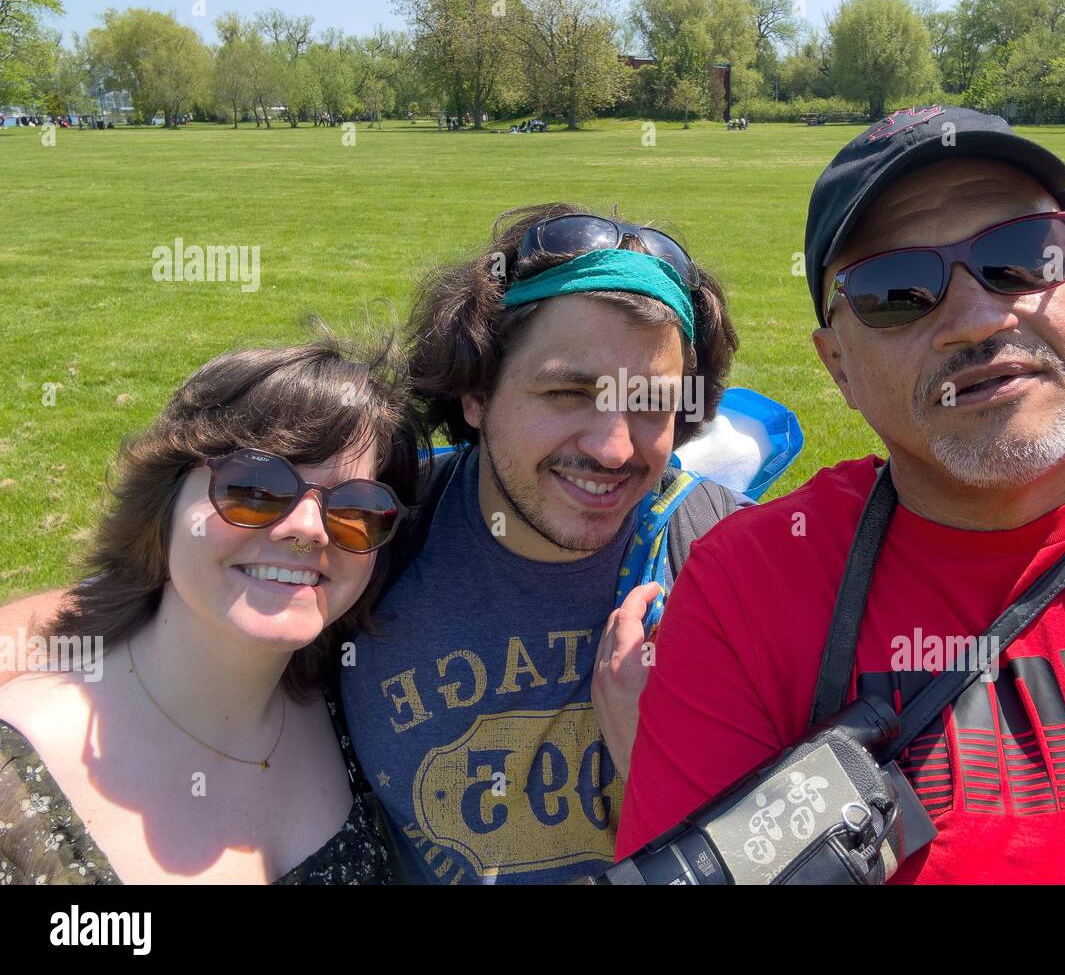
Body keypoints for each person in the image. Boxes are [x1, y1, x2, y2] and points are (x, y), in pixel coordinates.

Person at [614, 105, 1065, 883]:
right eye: (898, 289)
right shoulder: (753, 590)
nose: (976, 318)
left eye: (1020, 255)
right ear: (838, 365)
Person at [335, 203, 742, 884]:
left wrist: (664, 765)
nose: (613, 447)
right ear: (476, 391)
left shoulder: (730, 560)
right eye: (567, 392)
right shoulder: (372, 538)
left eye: (649, 402)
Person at [0, 332, 424, 884]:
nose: (308, 529)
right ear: (167, 503)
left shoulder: (358, 700)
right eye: (255, 486)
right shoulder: (18, 777)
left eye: (357, 507)